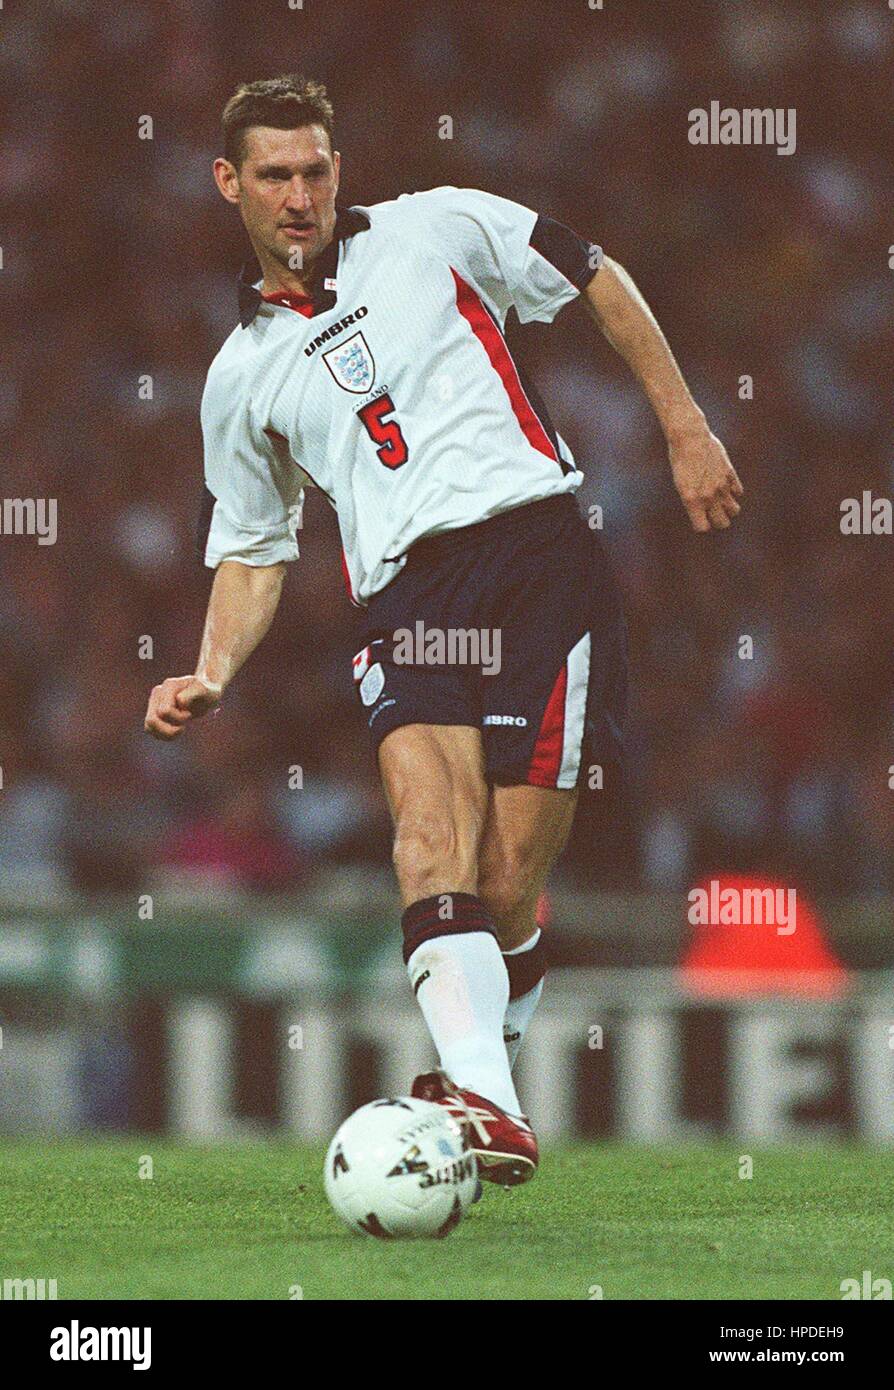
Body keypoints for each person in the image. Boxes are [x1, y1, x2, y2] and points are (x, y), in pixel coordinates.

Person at [144, 74, 743, 1185]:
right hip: (406, 599)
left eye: (315, 169)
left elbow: (594, 273)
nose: (298, 195)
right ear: (229, 183)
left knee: (509, 878)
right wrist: (211, 668)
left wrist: (685, 421)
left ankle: (484, 1080)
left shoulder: (436, 227)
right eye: (273, 173)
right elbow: (254, 544)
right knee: (428, 838)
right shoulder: (238, 377)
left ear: (340, 170)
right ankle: (489, 1105)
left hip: (538, 558)